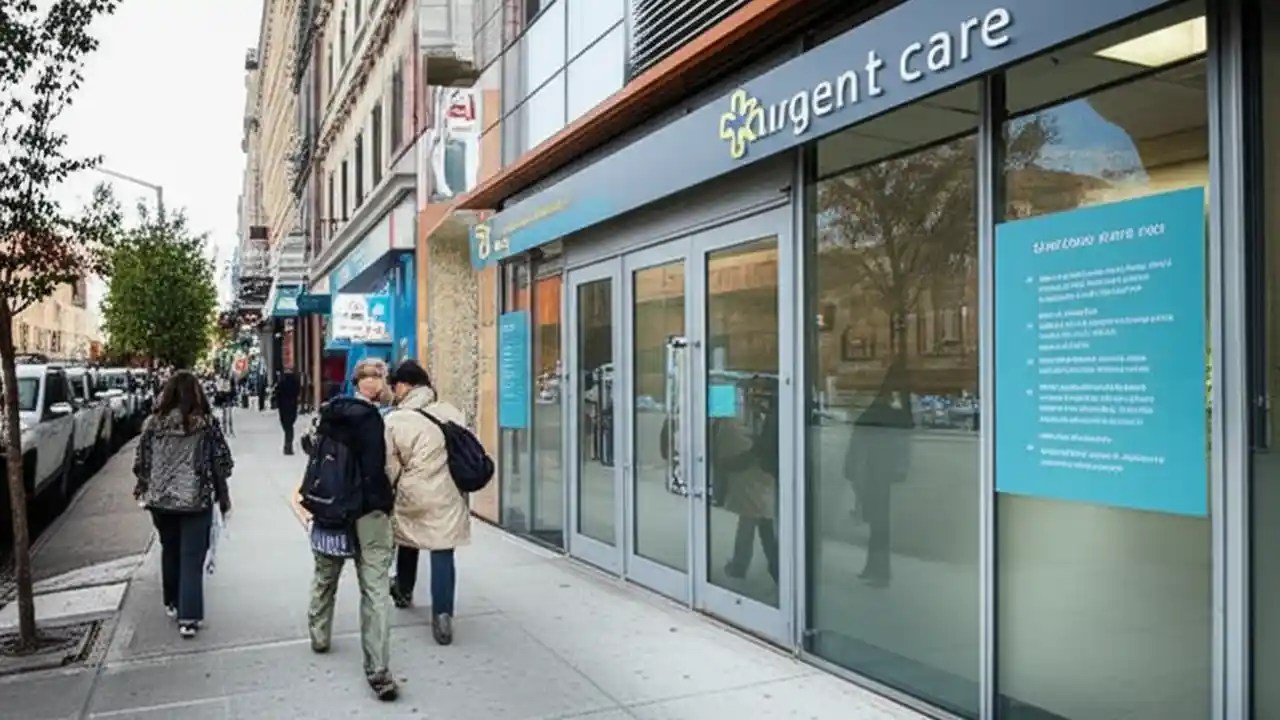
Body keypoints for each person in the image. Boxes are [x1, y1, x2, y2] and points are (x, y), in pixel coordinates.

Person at [302, 359, 399, 701]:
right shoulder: (373, 419)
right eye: (382, 377)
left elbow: (312, 455)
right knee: (374, 587)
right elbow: (376, 469)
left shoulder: (330, 413)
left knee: (325, 574)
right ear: (374, 382)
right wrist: (385, 502)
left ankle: (319, 634)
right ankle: (378, 668)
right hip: (367, 513)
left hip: (330, 508)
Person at [132, 370, 233, 639]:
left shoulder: (153, 424)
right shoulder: (205, 424)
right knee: (191, 557)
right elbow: (223, 462)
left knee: (170, 548)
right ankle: (189, 617)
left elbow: (140, 462)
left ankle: (172, 602)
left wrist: (146, 485)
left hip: (160, 500)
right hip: (194, 499)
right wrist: (222, 495)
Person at [384, 360, 470, 646]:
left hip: (414, 492)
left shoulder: (396, 419)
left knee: (409, 536)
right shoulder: (450, 411)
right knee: (442, 549)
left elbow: (391, 465)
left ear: (405, 386)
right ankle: (443, 616)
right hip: (448, 492)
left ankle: (404, 591)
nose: (393, 392)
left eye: (394, 386)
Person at [276, 368, 301, 454]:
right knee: (289, 426)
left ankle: (288, 445)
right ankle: (288, 445)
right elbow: (297, 392)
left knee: (287, 427)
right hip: (292, 406)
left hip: (283, 407)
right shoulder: (295, 382)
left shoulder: (282, 382)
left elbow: (278, 394)